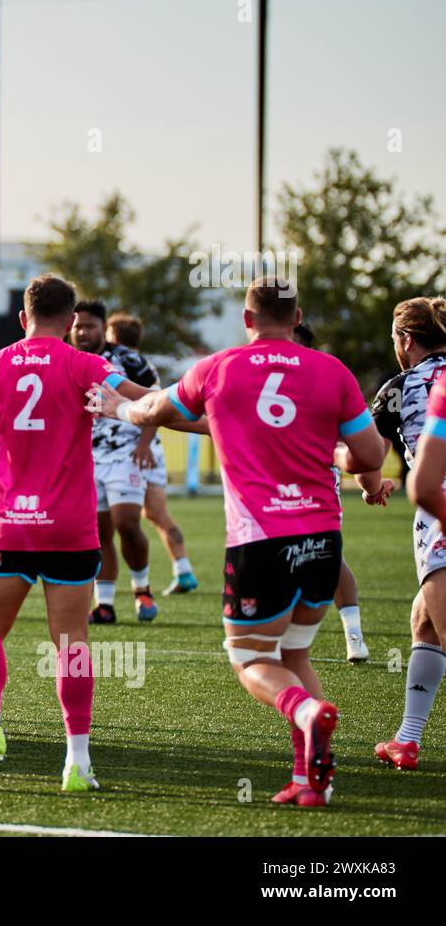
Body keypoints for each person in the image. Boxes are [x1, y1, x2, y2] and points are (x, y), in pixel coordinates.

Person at [89, 277, 385, 807]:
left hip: (260, 541)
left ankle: (306, 712)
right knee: (294, 652)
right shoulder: (332, 370)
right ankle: (308, 779)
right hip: (322, 537)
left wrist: (115, 407)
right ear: (297, 320)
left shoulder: (218, 367)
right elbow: (369, 456)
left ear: (246, 320)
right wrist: (335, 456)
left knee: (249, 659)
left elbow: (154, 409)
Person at [0, 274, 162, 792]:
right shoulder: (86, 364)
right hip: (71, 530)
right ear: (72, 321)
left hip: (10, 528)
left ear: (22, 317)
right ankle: (78, 760)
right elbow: (144, 403)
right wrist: (209, 413)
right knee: (72, 642)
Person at [371, 298, 446, 769]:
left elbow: (366, 453)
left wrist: (365, 479)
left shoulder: (400, 386)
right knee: (424, 621)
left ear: (405, 339)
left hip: (439, 507)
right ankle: (407, 738)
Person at [71, 300, 161, 623]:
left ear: (103, 327)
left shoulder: (128, 359)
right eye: (78, 325)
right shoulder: (70, 359)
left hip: (126, 452)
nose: (83, 332)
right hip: (87, 457)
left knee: (127, 523)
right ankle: (105, 603)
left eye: (90, 326)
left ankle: (142, 587)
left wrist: (146, 442)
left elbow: (155, 399)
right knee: (98, 532)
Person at [293, 321, 372, 663]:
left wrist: (371, 481)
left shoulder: (327, 382)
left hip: (317, 482)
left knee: (329, 557)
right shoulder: (258, 379)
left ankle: (353, 634)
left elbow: (360, 438)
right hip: (266, 486)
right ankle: (265, 632)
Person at [105, 313, 198, 596]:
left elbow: (153, 407)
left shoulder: (129, 365)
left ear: (115, 337)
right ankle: (183, 569)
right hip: (148, 449)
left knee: (128, 518)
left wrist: (143, 444)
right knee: (156, 513)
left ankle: (122, 587)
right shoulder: (141, 363)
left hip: (135, 451)